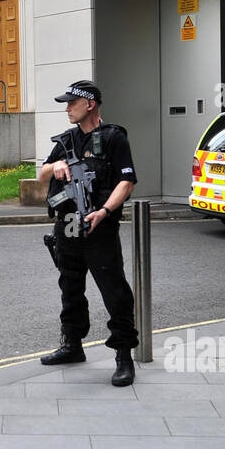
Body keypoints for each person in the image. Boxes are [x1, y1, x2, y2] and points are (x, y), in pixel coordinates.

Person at [37, 80, 140, 387]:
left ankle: (123, 356)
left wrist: (105, 211)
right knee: (70, 286)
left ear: (90, 104)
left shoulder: (113, 137)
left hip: (99, 223)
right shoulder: (66, 140)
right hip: (67, 223)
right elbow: (39, 174)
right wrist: (55, 165)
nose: (67, 108)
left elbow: (127, 181)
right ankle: (72, 345)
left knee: (114, 289)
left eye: (72, 103)